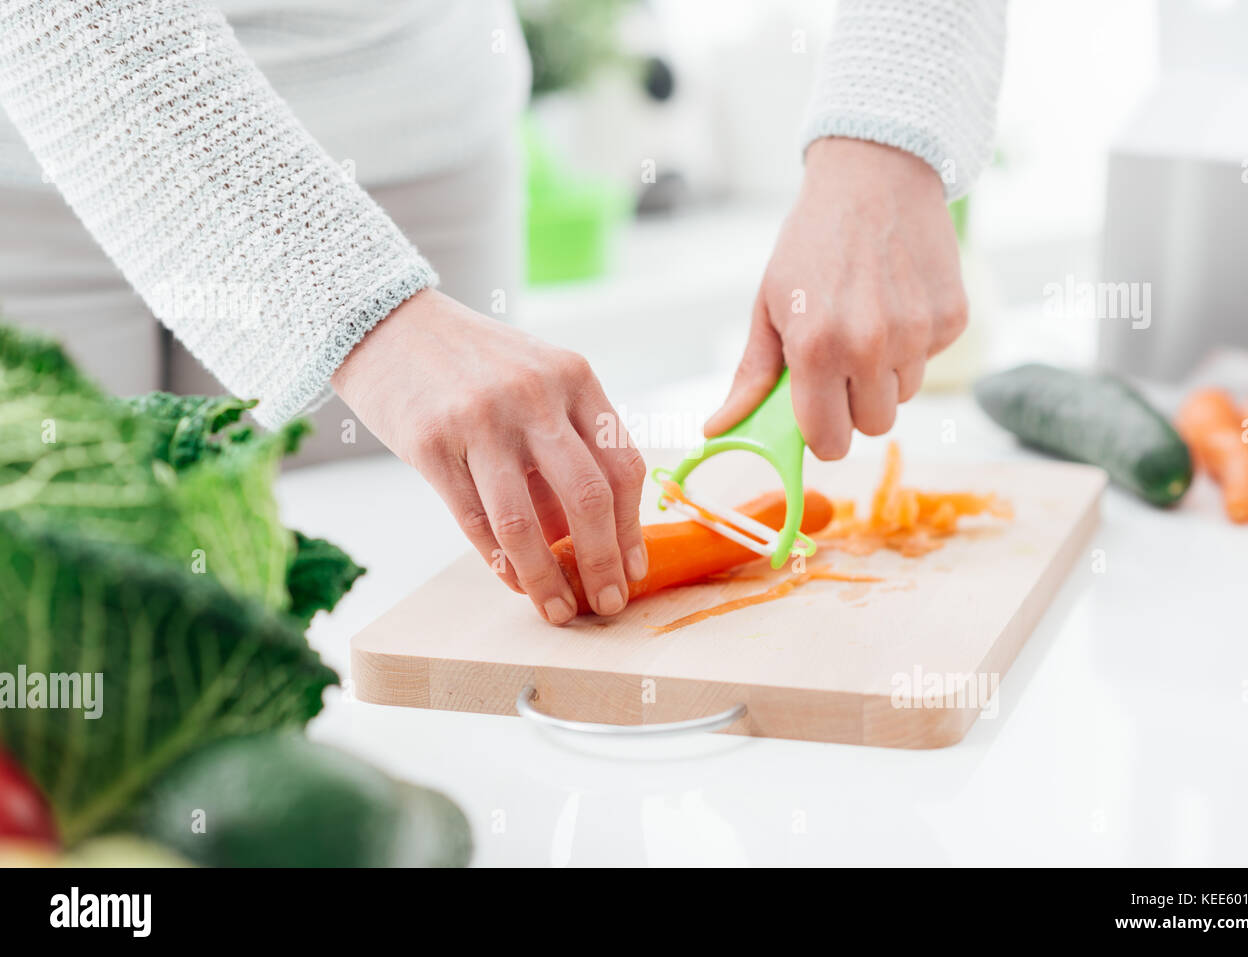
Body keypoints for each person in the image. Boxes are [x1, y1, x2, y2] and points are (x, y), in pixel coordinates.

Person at [0, 0, 1006, 625]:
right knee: (67, 646)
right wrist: (368, 317)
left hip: (417, 140)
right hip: (32, 166)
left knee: (396, 614)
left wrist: (887, 136)